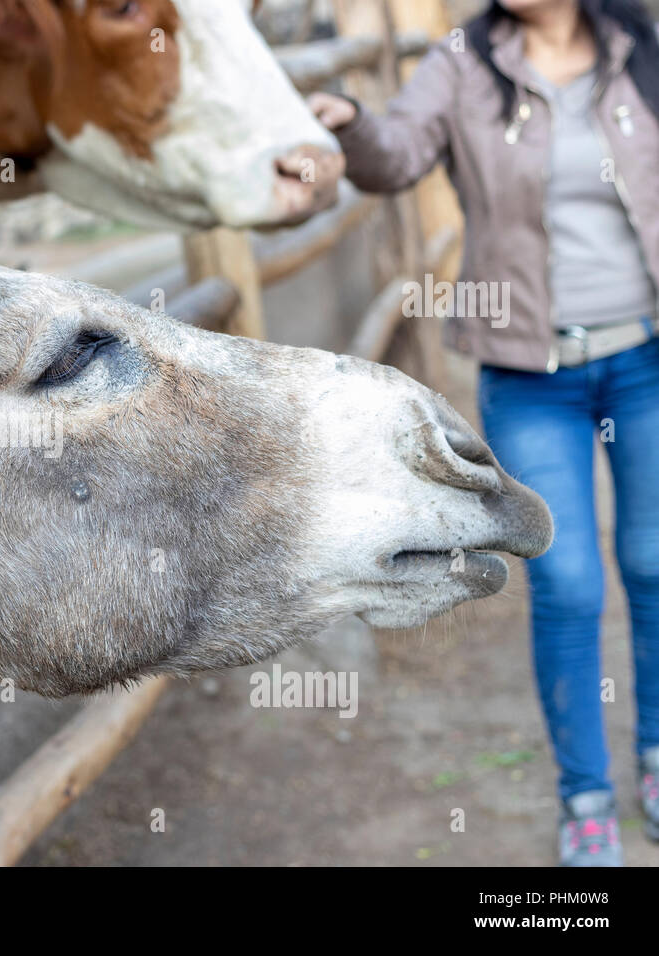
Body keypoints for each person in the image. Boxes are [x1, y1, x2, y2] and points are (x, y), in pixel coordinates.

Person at [308, 0, 659, 865]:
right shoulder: (466, 60)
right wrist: (353, 125)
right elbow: (395, 157)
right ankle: (585, 796)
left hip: (647, 360)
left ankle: (656, 756)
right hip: (531, 376)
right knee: (568, 583)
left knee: (655, 564)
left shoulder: (638, 47)